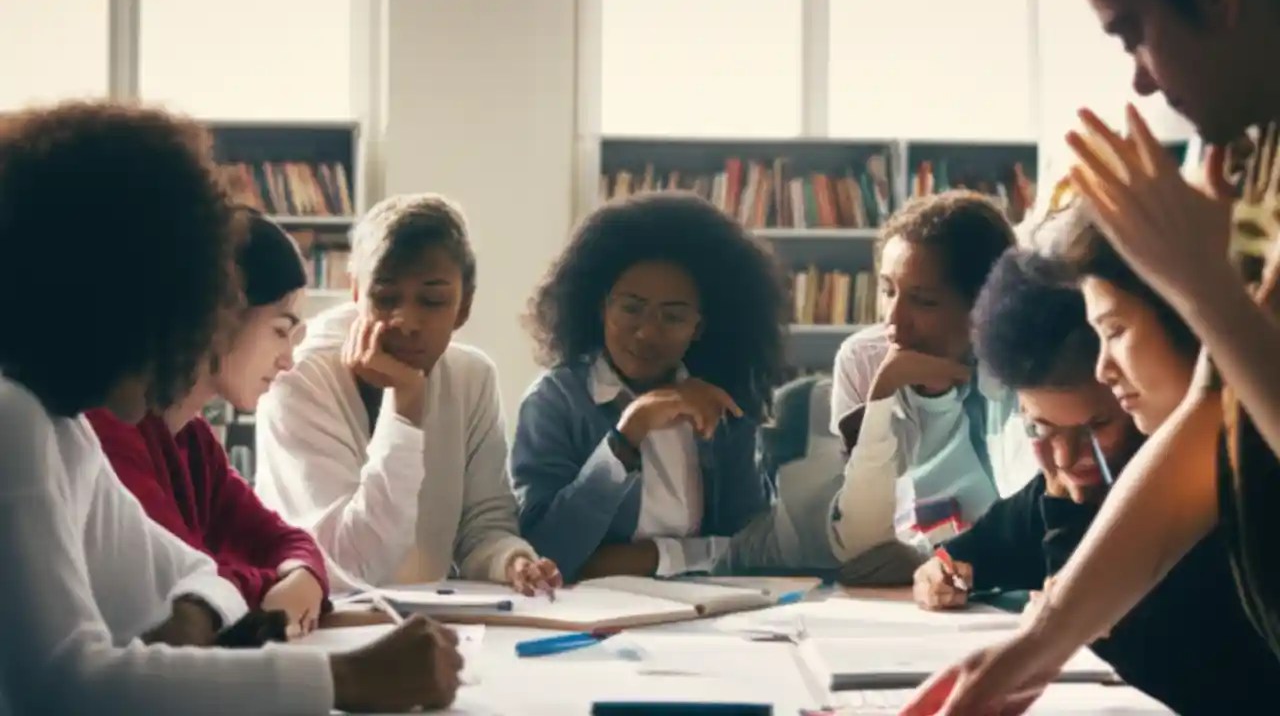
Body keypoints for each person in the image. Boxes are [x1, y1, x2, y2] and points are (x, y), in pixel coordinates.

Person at [0, 101, 462, 714]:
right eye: (202, 298)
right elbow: (65, 686)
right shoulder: (15, 420)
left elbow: (196, 576)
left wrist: (191, 617)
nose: (203, 329)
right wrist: (344, 680)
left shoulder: (64, 427)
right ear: (124, 291)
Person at [903, 0, 1280, 711]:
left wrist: (1207, 294)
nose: (1138, 80)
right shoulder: (1258, 155)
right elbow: (1215, 417)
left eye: (1135, 33)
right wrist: (1034, 648)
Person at [912, 244, 1278, 714]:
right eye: (1041, 428)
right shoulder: (1211, 440)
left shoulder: (1241, 469)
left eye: (1115, 330)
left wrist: (1044, 637)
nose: (1106, 368)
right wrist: (1037, 641)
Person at [255, 193, 560, 595]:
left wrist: (512, 560)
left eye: (433, 301)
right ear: (355, 293)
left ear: (464, 306)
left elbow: (484, 524)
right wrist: (405, 407)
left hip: (429, 617)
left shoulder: (471, 376)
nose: (406, 321)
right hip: (322, 622)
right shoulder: (298, 376)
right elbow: (349, 566)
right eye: (384, 298)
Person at [512, 191, 787, 582]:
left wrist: (650, 558)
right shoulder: (555, 401)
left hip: (705, 609)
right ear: (600, 307)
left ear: (699, 328)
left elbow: (750, 546)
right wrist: (627, 434)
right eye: (630, 307)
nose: (646, 332)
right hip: (588, 615)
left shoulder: (719, 402)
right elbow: (547, 551)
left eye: (673, 317)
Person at [86, 209, 329, 637]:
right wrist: (283, 586)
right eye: (279, 331)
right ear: (222, 317)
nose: (289, 360)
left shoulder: (194, 439)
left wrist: (301, 576)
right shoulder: (110, 431)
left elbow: (286, 541)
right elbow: (189, 590)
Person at [828, 191, 1037, 563]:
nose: (893, 320)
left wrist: (930, 559)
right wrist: (880, 397)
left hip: (992, 582)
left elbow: (1025, 519)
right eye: (888, 290)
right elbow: (856, 544)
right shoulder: (863, 359)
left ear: (981, 304)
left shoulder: (1015, 366)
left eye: (923, 301)